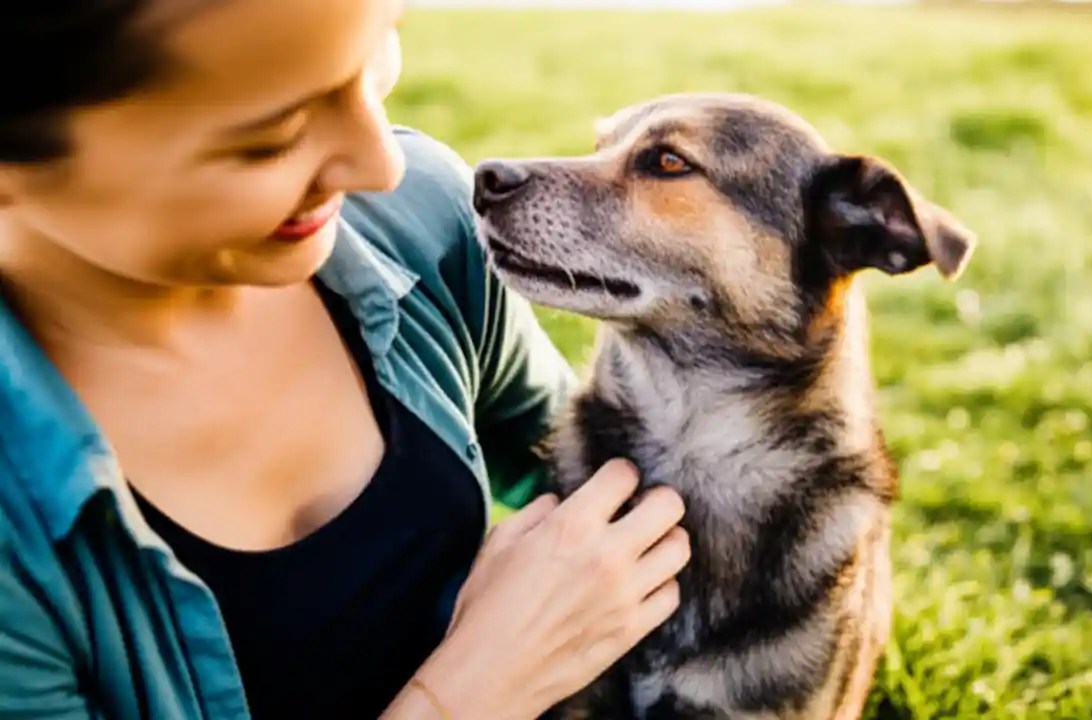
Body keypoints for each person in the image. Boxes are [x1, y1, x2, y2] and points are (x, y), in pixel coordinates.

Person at [0, 1, 692, 719]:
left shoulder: (421, 228)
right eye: (272, 138)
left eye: (375, 51)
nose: (381, 164)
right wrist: (481, 686)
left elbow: (608, 489)